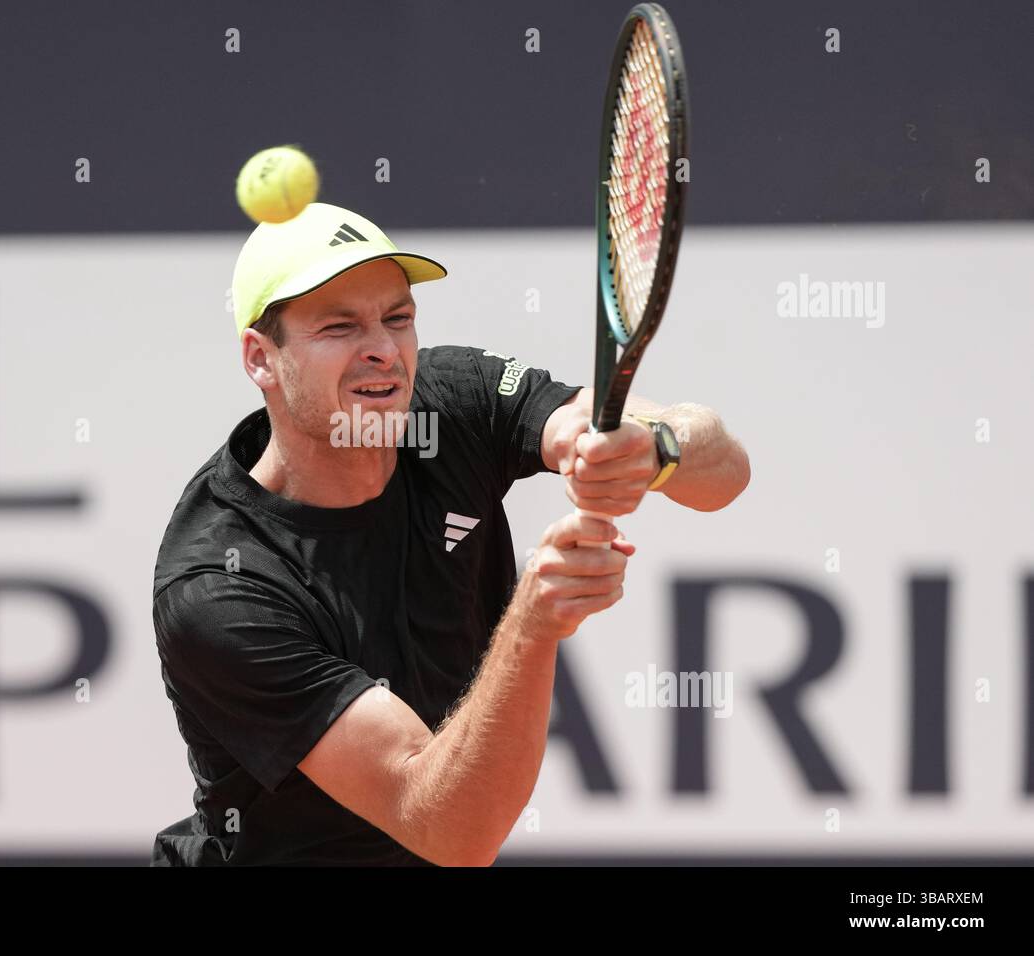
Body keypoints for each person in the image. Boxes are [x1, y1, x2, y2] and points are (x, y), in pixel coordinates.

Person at [151, 202, 750, 865]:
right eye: (339, 326)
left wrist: (652, 448)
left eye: (397, 318)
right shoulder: (219, 589)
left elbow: (725, 470)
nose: (382, 347)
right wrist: (532, 623)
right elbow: (449, 830)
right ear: (261, 359)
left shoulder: (449, 402)